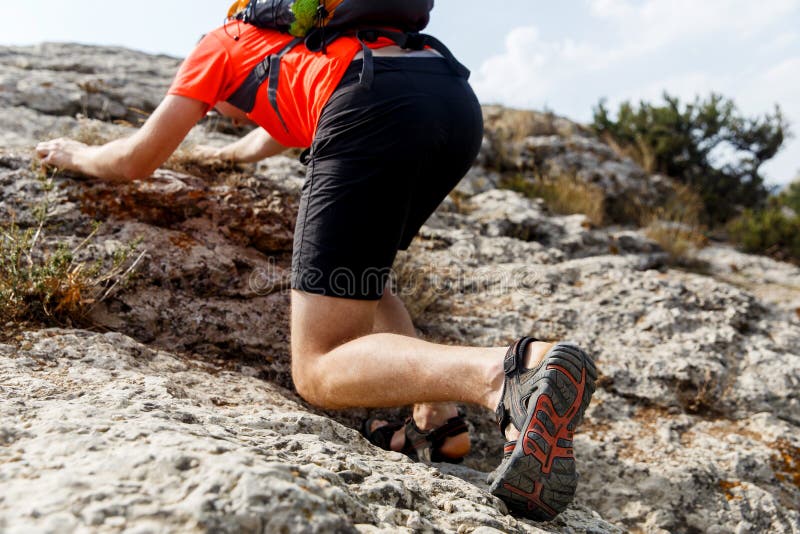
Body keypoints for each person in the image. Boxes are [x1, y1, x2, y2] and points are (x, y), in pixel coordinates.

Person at [35, 16, 596, 521]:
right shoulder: (308, 45)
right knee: (362, 280)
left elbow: (137, 159)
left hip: (370, 107)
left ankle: (509, 375)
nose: (221, 119)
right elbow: (263, 138)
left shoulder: (219, 43)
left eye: (215, 112)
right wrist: (219, 158)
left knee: (319, 366)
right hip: (448, 97)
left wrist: (75, 154)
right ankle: (439, 422)